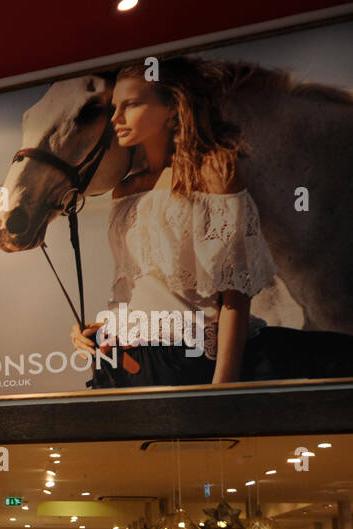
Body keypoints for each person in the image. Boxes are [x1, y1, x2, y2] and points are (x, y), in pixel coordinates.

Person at [70, 59, 276, 387]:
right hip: (122, 359)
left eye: (132, 104)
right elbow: (140, 288)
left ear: (171, 108)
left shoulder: (212, 176)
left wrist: (224, 382)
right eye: (114, 107)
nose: (116, 118)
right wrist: (97, 330)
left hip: (186, 360)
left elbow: (234, 295)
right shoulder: (125, 189)